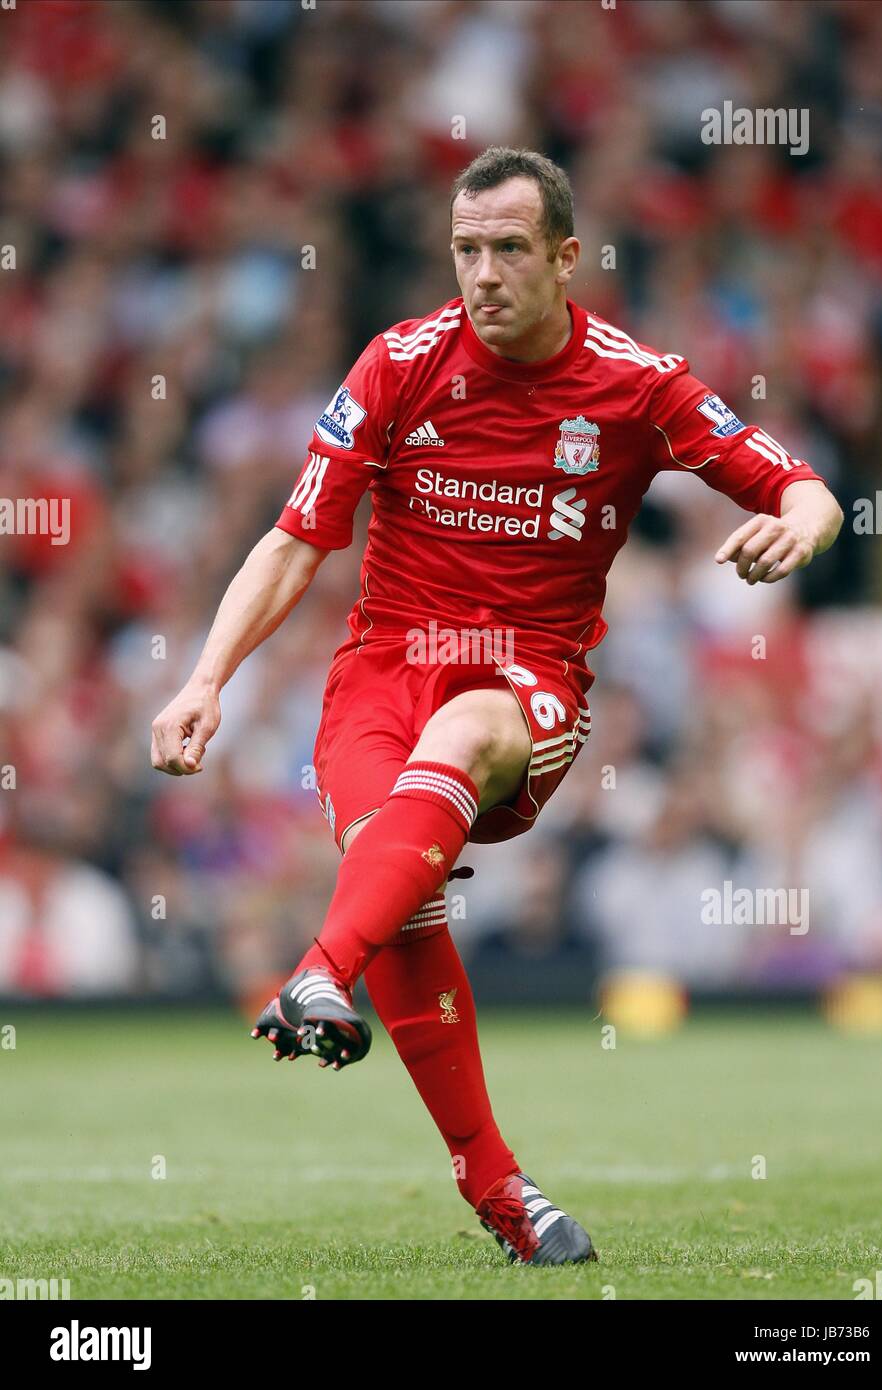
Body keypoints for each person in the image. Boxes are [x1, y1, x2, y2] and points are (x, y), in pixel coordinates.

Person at [151, 146, 843, 1266]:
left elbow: (802, 487)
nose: (482, 273)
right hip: (379, 674)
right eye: (465, 249)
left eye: (509, 249)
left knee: (458, 743)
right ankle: (503, 1194)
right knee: (403, 896)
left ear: (565, 258)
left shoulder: (635, 382)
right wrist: (203, 679)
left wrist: (798, 529)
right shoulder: (397, 364)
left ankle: (317, 972)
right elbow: (295, 542)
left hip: (524, 681)